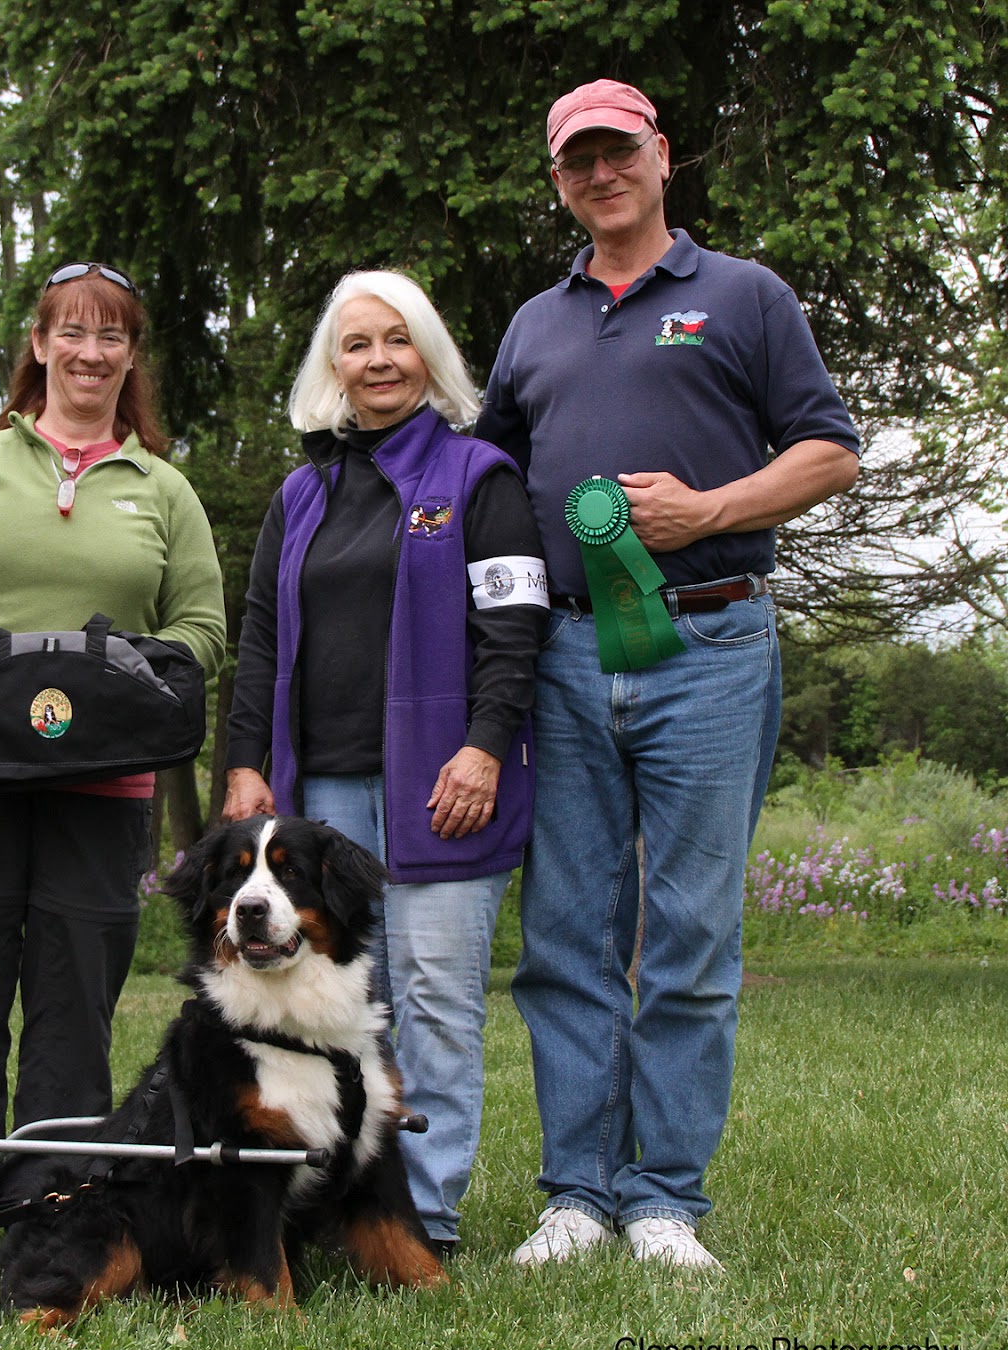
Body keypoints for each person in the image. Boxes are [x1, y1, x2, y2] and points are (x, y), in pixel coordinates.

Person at [475, 79, 860, 1268]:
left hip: (709, 643)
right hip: (567, 656)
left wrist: (711, 511)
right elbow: (489, 479)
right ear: (559, 181)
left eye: (616, 151)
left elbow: (830, 451)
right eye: (575, 161)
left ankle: (662, 1201)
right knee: (565, 931)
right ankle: (575, 1197)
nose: (599, 174)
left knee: (688, 929)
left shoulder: (744, 295)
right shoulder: (533, 324)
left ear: (661, 157)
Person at [0, 261, 226, 1275]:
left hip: (101, 793)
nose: (88, 351)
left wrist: (121, 676)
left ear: (131, 355)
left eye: (109, 335)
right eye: (68, 332)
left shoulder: (162, 489)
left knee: (75, 1012)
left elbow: (202, 624)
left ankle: (50, 1219)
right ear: (39, 346)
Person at [223, 269, 548, 1256]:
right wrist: (245, 764)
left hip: (445, 787)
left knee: (438, 1002)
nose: (378, 361)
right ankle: (338, 1202)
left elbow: (515, 627)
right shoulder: (299, 492)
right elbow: (261, 637)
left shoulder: (480, 477)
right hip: (319, 798)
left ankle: (427, 1213)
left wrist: (484, 748)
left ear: (430, 356)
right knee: (339, 1007)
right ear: (333, 364)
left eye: (397, 341)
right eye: (356, 344)